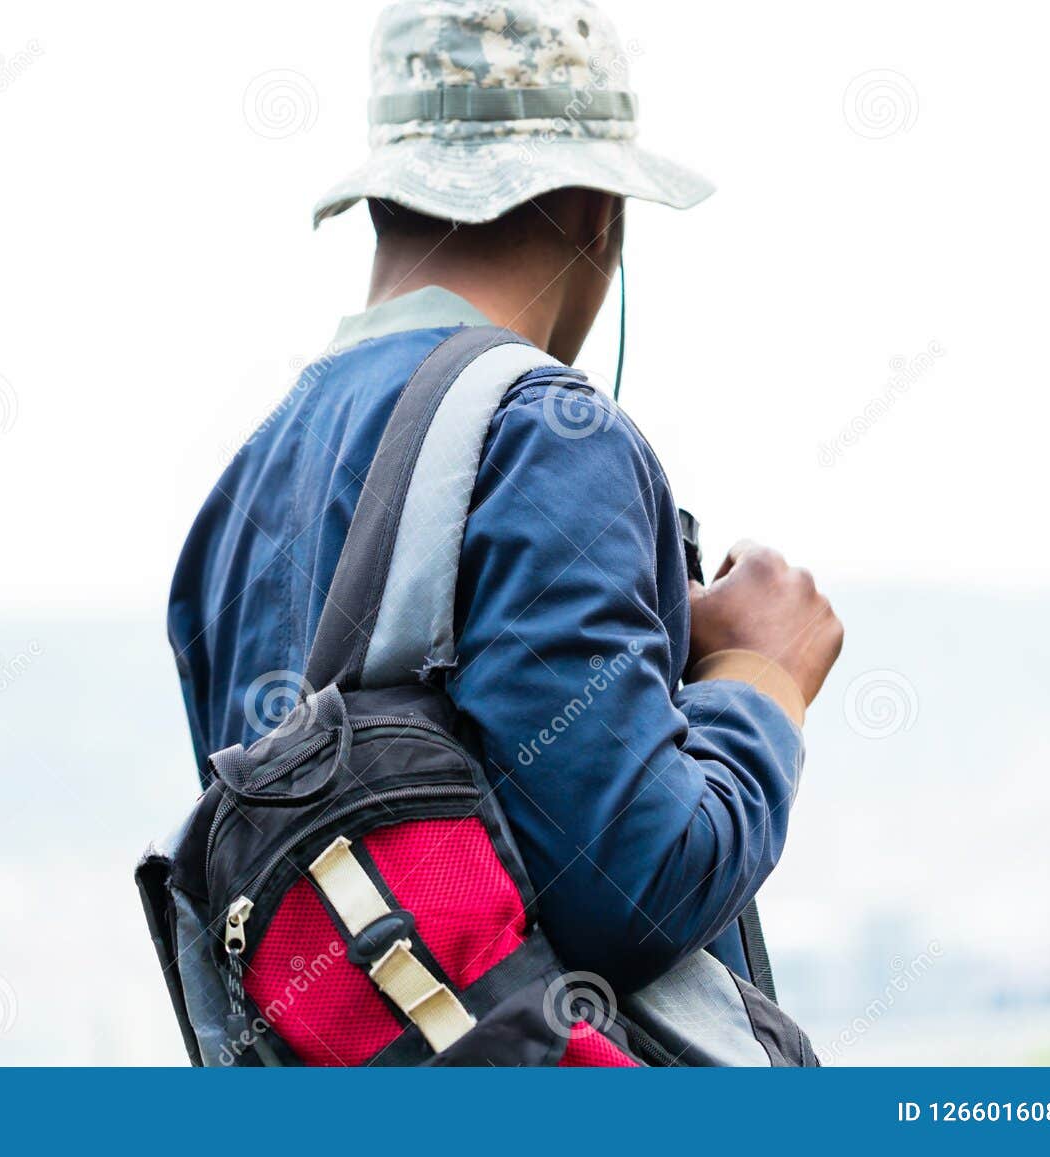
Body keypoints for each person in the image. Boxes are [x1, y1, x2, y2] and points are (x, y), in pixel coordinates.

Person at [167, 0, 843, 997]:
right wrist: (761, 676)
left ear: (380, 199)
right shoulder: (543, 434)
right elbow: (635, 890)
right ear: (592, 211)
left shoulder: (239, 498)